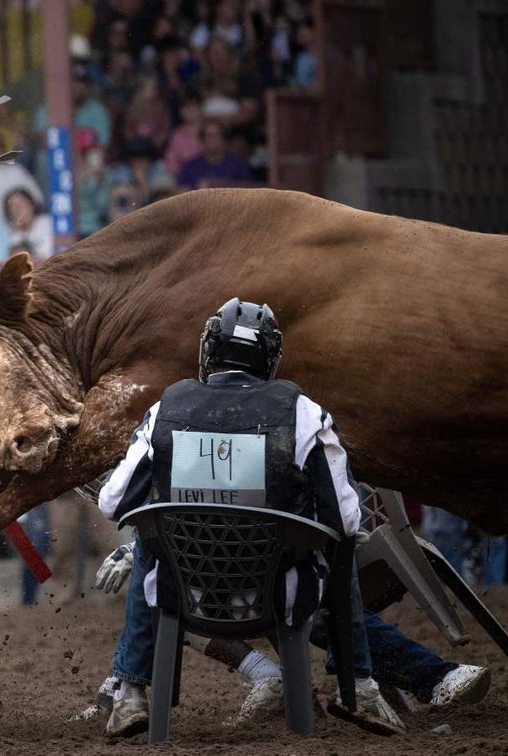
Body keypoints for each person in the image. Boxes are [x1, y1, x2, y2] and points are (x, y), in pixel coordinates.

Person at [96, 298, 406, 738]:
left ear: (210, 350)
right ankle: (358, 684)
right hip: (280, 594)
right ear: (270, 357)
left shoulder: (166, 408)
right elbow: (347, 519)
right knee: (338, 546)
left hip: (185, 592)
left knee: (150, 542)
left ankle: (130, 690)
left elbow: (113, 502)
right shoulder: (303, 412)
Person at [81, 542, 491, 726]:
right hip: (269, 584)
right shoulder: (296, 415)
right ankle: (422, 677)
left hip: (252, 584)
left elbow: (126, 504)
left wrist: (137, 548)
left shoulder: (172, 423)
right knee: (316, 598)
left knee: (158, 583)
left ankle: (126, 688)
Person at [176, 121, 251, 189]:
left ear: (224, 139)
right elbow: (181, 190)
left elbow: (247, 189)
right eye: (209, 135)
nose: (214, 139)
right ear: (202, 140)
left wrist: (216, 185)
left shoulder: (238, 165)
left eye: (218, 135)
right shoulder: (190, 167)